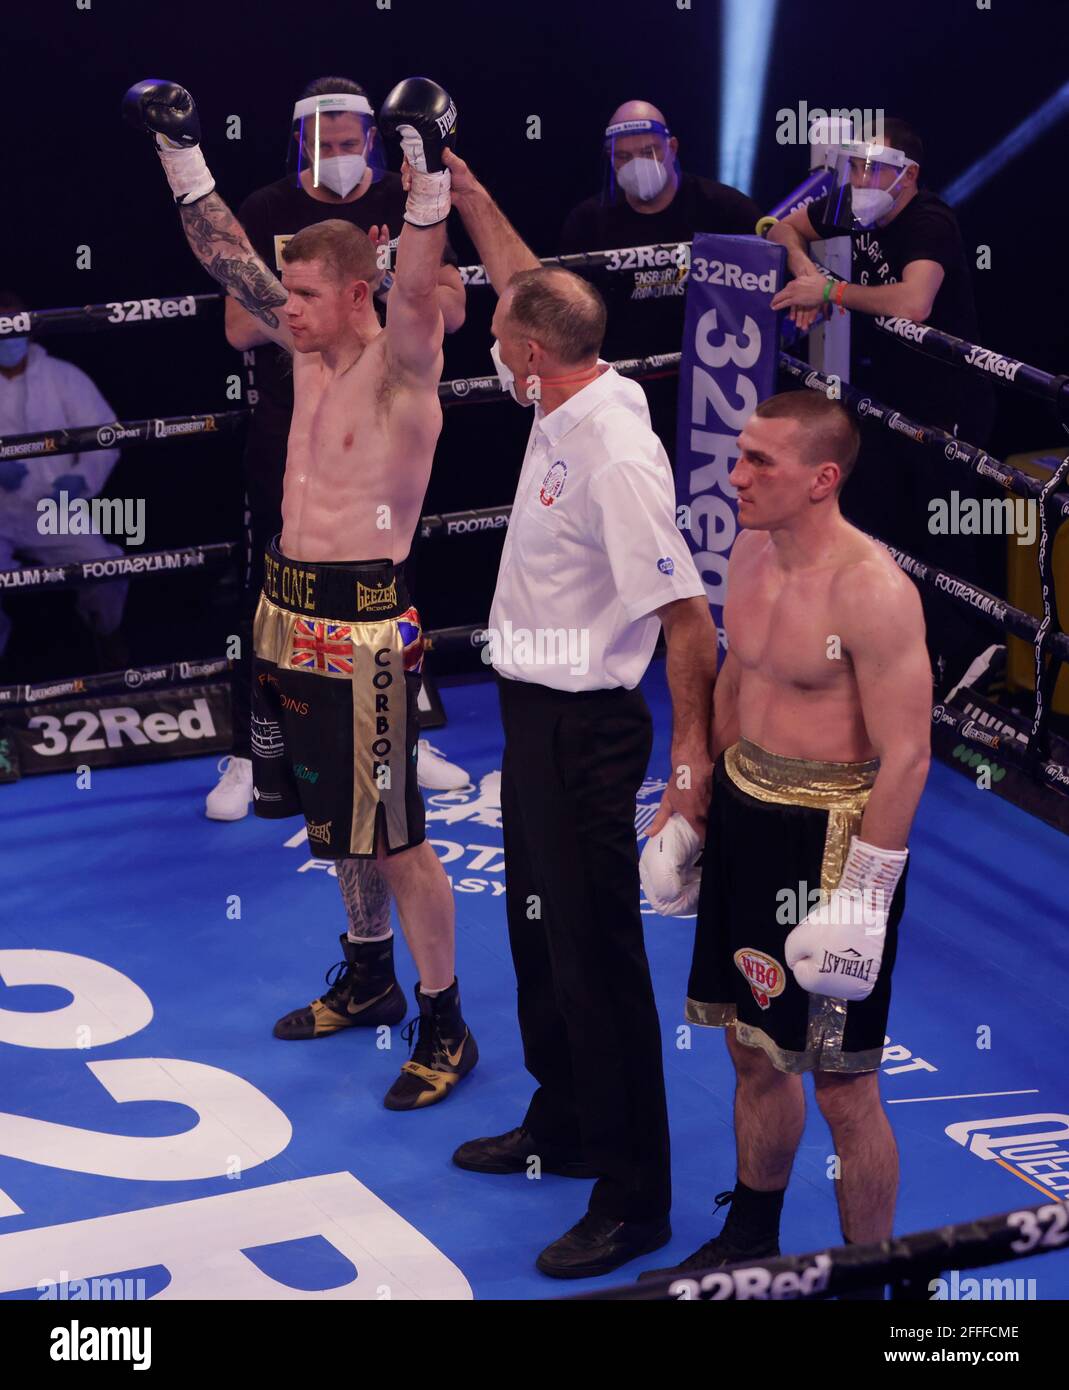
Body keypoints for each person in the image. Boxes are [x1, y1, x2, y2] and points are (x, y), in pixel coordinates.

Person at [125, 74, 478, 1110]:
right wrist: (179, 154)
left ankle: (444, 1019)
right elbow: (223, 251)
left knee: (397, 835)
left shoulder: (400, 364)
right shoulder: (307, 348)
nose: (280, 309)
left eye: (304, 295)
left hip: (365, 622)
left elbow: (418, 282)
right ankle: (367, 973)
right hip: (289, 608)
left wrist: (423, 167)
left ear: (357, 293)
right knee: (334, 819)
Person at [443, 146, 720, 1279]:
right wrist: (465, 190)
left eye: (501, 335)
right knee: (536, 936)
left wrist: (689, 768)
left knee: (598, 957)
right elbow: (526, 279)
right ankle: (561, 1124)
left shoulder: (612, 452)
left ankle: (636, 1194)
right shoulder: (559, 389)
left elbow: (687, 621)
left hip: (590, 732)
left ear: (533, 355)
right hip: (528, 717)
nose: (488, 342)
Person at [643, 391, 930, 1282]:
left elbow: (909, 757)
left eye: (760, 462)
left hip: (832, 840)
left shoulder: (872, 591)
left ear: (822, 479)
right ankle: (751, 1237)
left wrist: (863, 900)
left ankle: (872, 1275)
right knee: (746, 1044)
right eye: (738, 455)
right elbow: (735, 677)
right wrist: (691, 799)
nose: (736, 477)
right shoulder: (751, 551)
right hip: (744, 812)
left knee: (842, 1082)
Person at [210, 74, 469, 824]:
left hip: (377, 423)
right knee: (271, 586)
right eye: (327, 146)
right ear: (304, 143)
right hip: (289, 422)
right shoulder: (268, 208)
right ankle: (250, 750)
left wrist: (381, 281)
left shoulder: (399, 201)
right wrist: (306, 318)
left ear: (372, 144)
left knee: (389, 576)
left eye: (352, 144)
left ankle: (405, 741)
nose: (341, 157)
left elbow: (443, 306)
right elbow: (237, 324)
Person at [767, 118, 996, 677]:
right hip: (889, 397)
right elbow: (779, 227)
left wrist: (829, 291)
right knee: (881, 522)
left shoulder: (930, 220)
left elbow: (915, 302)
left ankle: (960, 659)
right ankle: (886, 650)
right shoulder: (854, 204)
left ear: (908, 175)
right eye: (859, 166)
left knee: (942, 530)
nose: (864, 176)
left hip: (951, 401)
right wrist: (807, 270)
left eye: (878, 168)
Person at [559, 100, 761, 458]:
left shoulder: (724, 209)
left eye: (648, 151)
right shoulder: (587, 222)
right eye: (624, 157)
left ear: (672, 148)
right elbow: (566, 314)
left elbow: (773, 276)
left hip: (711, 392)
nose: (636, 164)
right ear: (610, 159)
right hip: (621, 392)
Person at [0, 290, 127, 668]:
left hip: (53, 507)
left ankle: (107, 636)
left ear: (30, 328)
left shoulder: (63, 377)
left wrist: (77, 481)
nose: (8, 337)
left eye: (13, 326)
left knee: (102, 566)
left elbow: (107, 438)